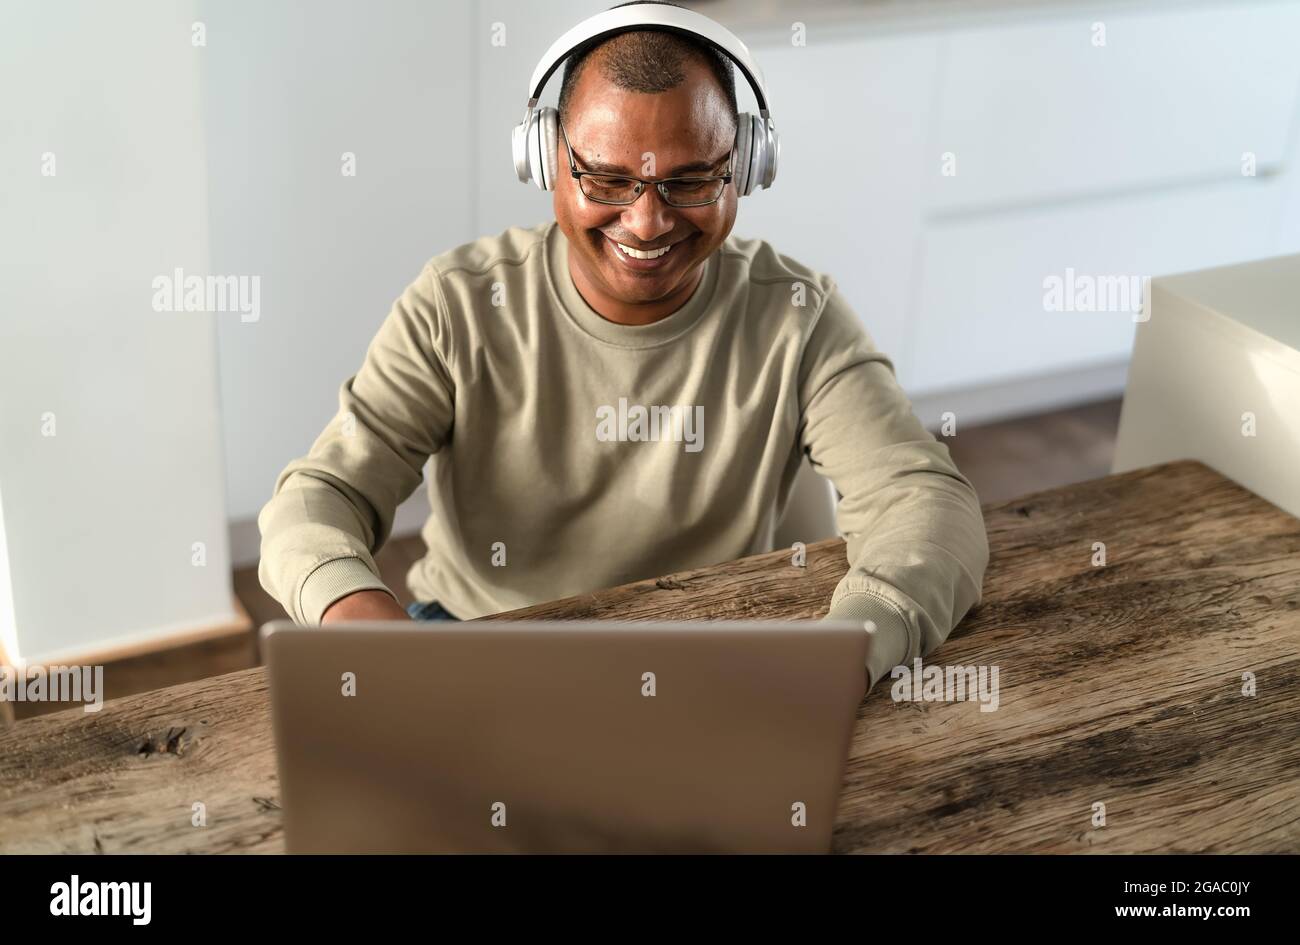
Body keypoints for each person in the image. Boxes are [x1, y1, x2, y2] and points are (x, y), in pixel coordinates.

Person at [257, 1, 988, 692]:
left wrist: (846, 650)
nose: (645, 222)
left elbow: (923, 503)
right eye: (606, 178)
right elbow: (317, 500)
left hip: (710, 650)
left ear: (746, 168)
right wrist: (362, 621)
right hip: (476, 635)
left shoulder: (798, 317)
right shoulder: (459, 304)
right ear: (544, 160)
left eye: (691, 180)